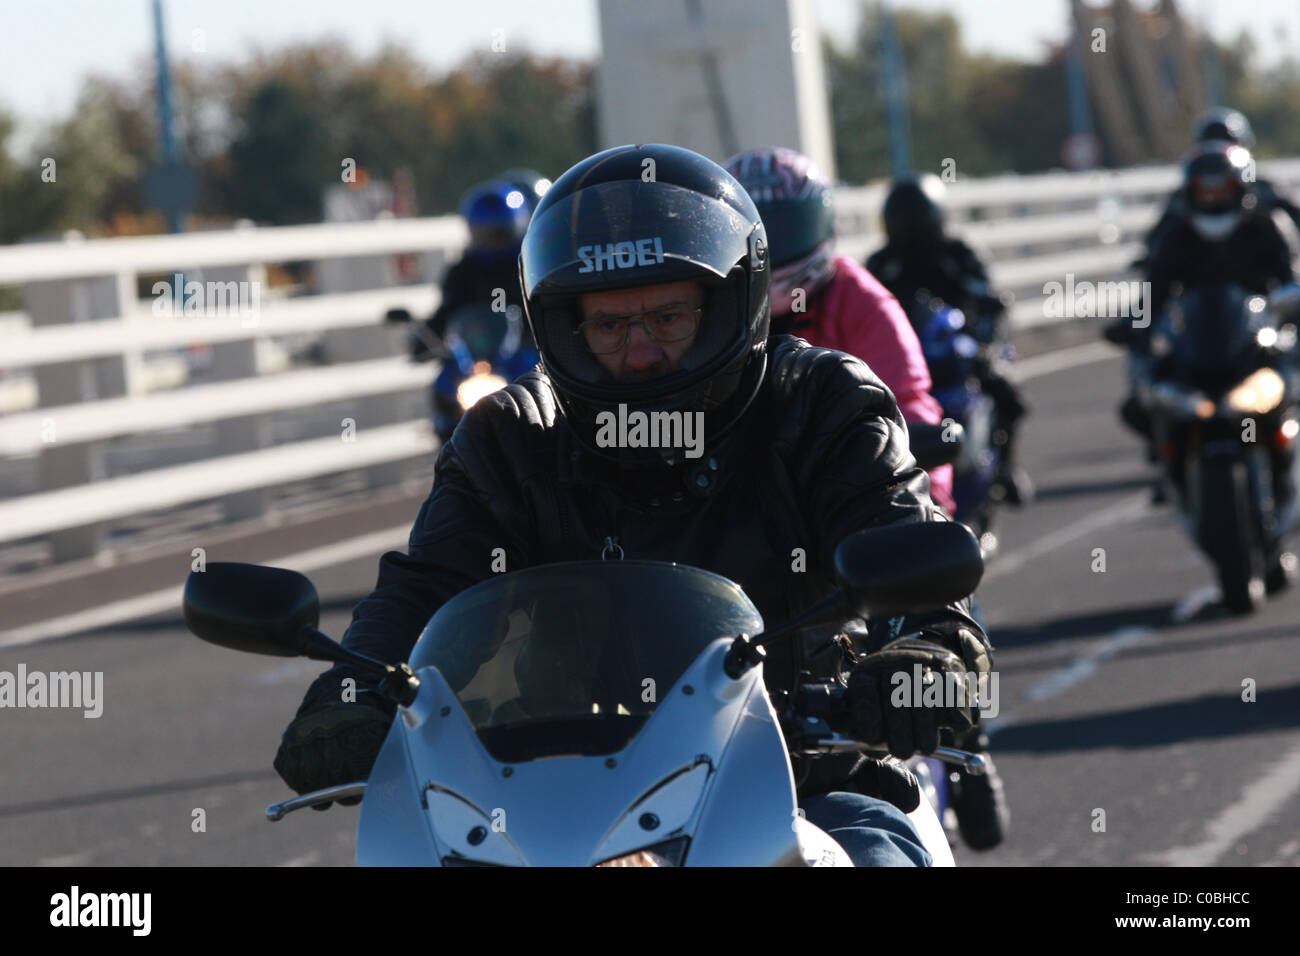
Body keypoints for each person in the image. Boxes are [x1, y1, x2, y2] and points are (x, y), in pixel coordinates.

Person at [273, 144, 995, 867]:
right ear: (564, 327)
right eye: (610, 326)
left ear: (727, 306)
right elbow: (425, 585)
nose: (641, 352)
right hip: (540, 800)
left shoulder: (821, 403)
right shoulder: (513, 435)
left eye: (669, 317)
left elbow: (910, 553)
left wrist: (926, 655)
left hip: (808, 779)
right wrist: (351, 684)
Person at [723, 146, 955, 515]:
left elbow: (908, 404)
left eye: (784, 228)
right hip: (731, 508)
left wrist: (925, 509)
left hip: (843, 504)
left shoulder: (862, 302)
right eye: (756, 232)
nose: (771, 246)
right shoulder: (709, 307)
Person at [867, 174, 1034, 508]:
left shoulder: (959, 254)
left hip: (958, 352)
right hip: (901, 360)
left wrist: (985, 344)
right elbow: (862, 313)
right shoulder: (882, 264)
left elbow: (990, 299)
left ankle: (1006, 467)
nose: (910, 228)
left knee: (1008, 394)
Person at [411, 177, 537, 360]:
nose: (491, 241)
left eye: (498, 234)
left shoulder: (528, 268)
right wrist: (425, 338)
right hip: (474, 361)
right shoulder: (465, 270)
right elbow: (448, 309)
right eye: (483, 234)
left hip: (520, 357)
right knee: (443, 381)